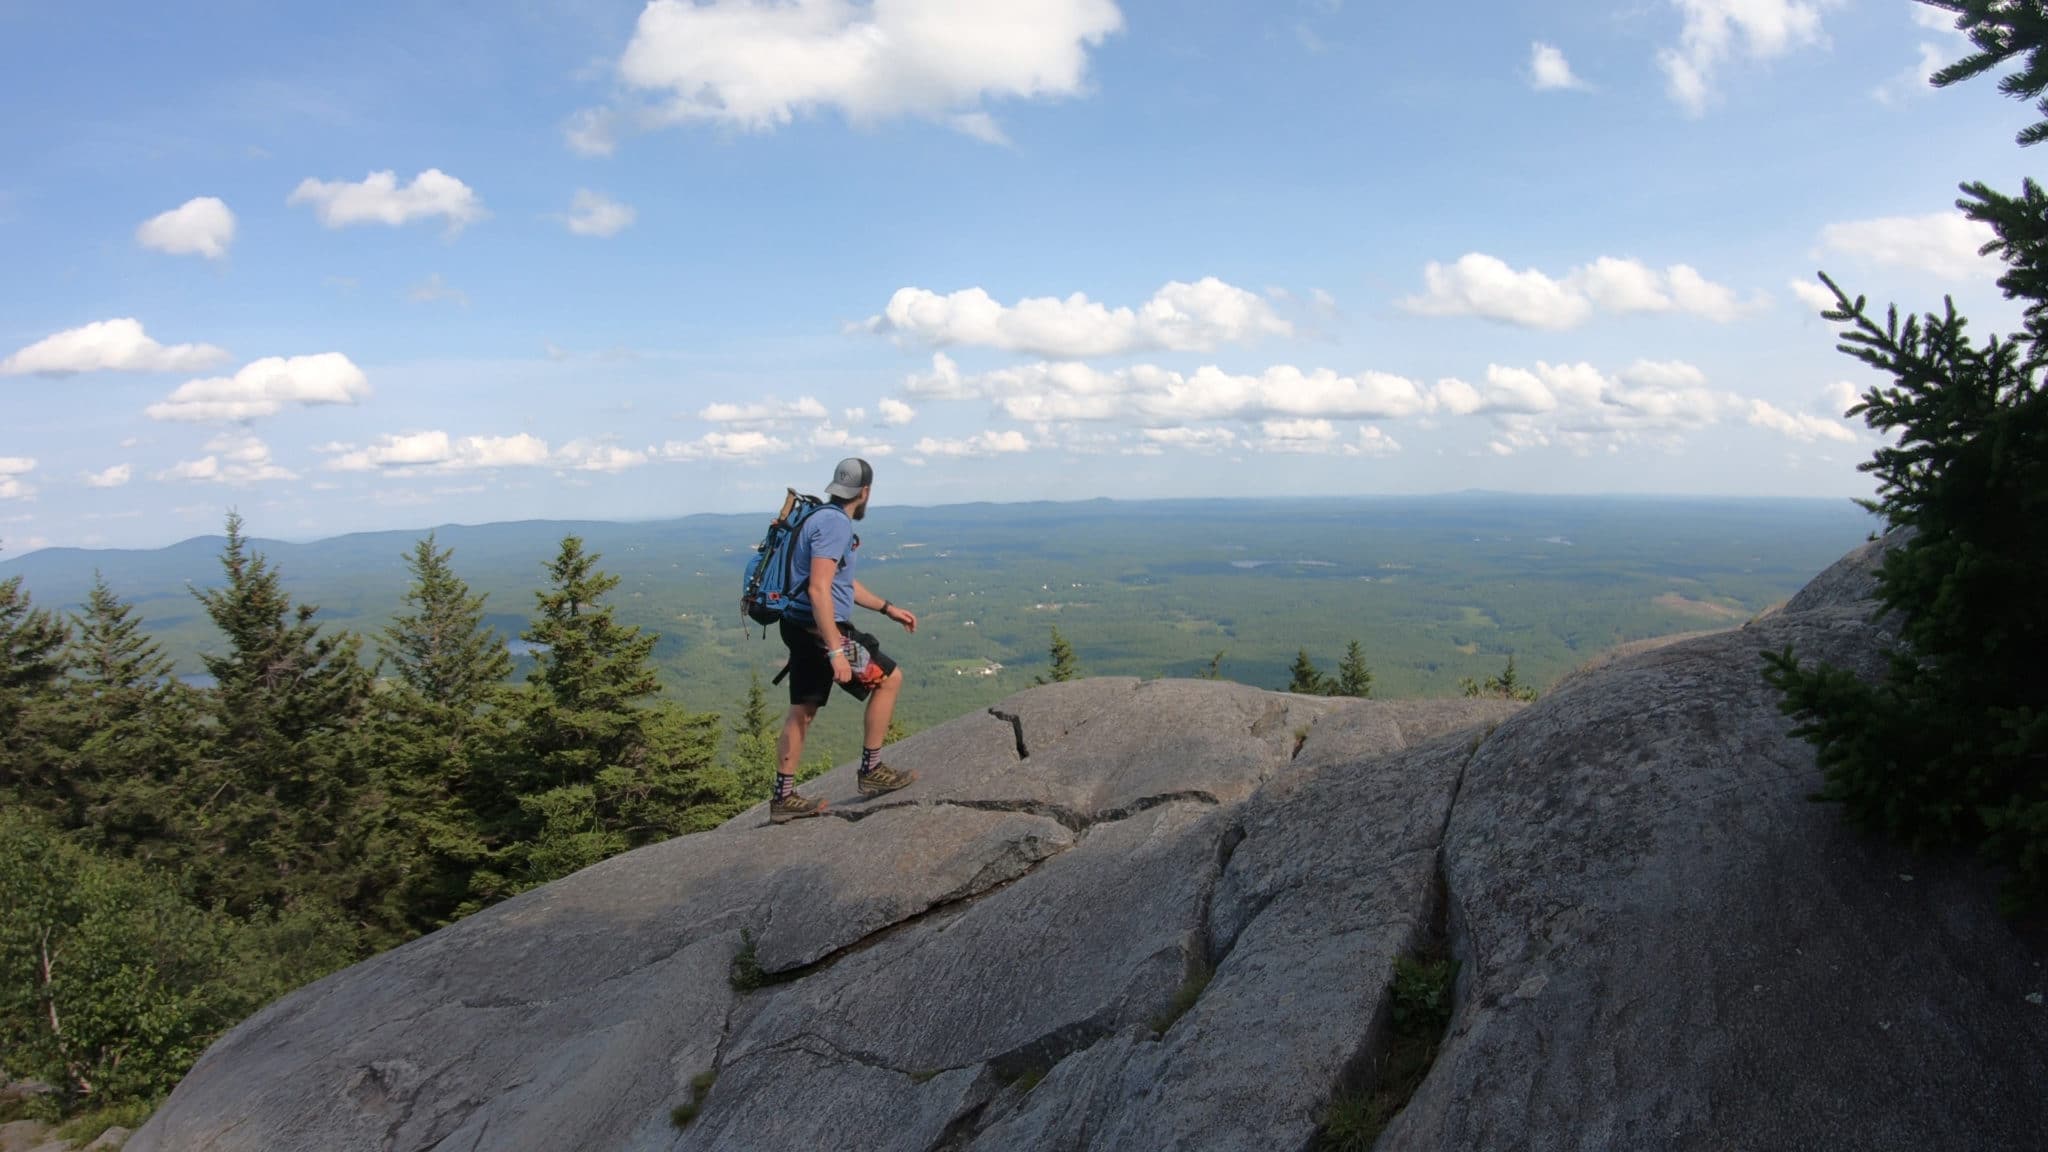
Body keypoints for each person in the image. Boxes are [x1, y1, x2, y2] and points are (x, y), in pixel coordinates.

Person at [771, 457, 919, 822]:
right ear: (865, 492)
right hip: (822, 631)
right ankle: (872, 772)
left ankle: (783, 797)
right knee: (889, 680)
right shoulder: (836, 525)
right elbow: (820, 588)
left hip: (798, 624)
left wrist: (887, 608)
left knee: (803, 710)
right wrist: (836, 649)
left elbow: (842, 584)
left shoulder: (817, 517)